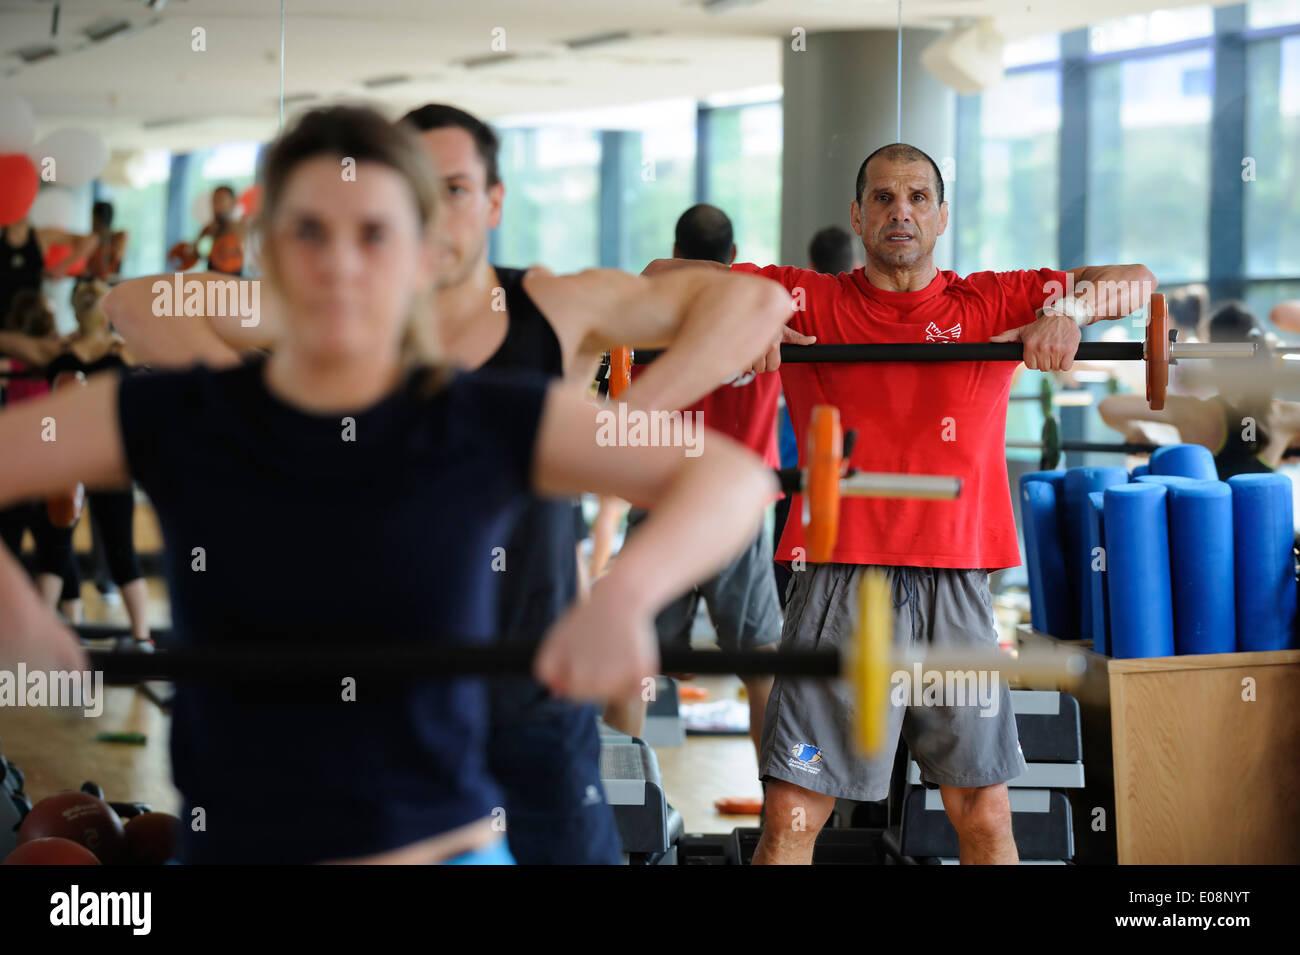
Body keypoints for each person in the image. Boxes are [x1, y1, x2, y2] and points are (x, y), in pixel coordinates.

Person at [0, 104, 784, 865]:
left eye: (373, 233)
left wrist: (623, 595)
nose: (340, 262)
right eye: (310, 231)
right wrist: (20, 613)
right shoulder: (184, 413)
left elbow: (729, 477)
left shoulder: (479, 417)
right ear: (268, 248)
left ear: (420, 254)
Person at [646, 141, 1156, 865]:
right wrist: (741, 318)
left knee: (983, 813)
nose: (901, 211)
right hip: (840, 580)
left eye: (918, 197)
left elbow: (1135, 280)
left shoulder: (987, 300)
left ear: (942, 215)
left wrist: (1068, 310)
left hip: (957, 585)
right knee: (793, 814)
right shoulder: (808, 297)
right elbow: (659, 278)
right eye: (883, 197)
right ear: (857, 215)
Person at [618, 203, 785, 767]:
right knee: (761, 664)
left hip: (660, 503)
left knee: (634, 662)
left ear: (677, 250)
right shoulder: (758, 303)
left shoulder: (648, 308)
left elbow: (649, 276)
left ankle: (624, 803)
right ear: (732, 255)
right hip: (732, 510)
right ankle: (778, 812)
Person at [1099, 303, 1300, 479]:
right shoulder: (1285, 418)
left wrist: (1134, 432)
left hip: (1199, 520)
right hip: (1260, 522)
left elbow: (1109, 407)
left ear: (1214, 358)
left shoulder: (1195, 413)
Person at [0, 291, 79, 620]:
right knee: (56, 548)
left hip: (19, 465)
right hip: (50, 465)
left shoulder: (10, 365)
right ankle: (60, 621)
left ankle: (20, 621)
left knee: (13, 545)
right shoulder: (62, 361)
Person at [174, 185, 248, 276]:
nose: (216, 205)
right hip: (213, 281)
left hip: (236, 282)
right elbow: (195, 253)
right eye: (214, 200)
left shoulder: (242, 229)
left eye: (220, 200)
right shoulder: (208, 230)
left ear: (233, 202)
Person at [83, 201, 128, 283]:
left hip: (108, 283)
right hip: (91, 283)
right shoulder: (91, 240)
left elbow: (117, 257)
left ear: (97, 218)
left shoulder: (119, 237)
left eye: (93, 217)